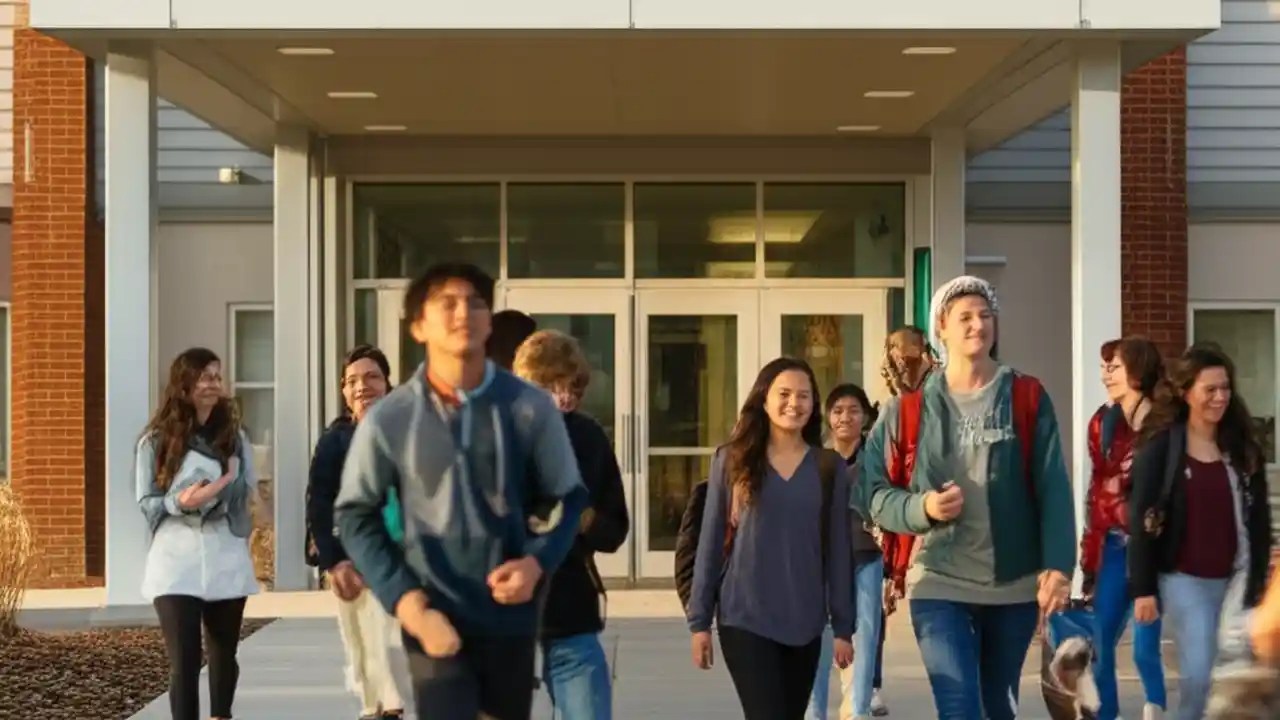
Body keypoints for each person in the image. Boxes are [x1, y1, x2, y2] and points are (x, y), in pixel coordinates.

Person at [334, 262, 590, 720]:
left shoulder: (529, 408)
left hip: (509, 617)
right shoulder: (390, 418)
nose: (462, 313)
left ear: (489, 321)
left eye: (475, 303)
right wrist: (408, 603)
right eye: (446, 303)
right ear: (418, 325)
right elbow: (355, 514)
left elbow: (567, 498)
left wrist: (536, 563)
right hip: (433, 614)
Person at [854, 275, 1075, 720]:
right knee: (960, 709)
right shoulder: (907, 410)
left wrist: (1058, 565)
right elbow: (872, 493)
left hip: (1012, 589)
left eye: (986, 315)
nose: (978, 325)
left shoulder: (1027, 396)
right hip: (938, 582)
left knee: (998, 709)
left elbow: (1053, 485)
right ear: (942, 328)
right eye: (965, 317)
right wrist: (922, 508)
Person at [688, 357, 855, 720]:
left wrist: (843, 626)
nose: (794, 403)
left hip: (805, 621)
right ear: (764, 400)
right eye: (784, 393)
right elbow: (711, 541)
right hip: (744, 616)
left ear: (813, 406)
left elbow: (840, 551)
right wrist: (699, 621)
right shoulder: (731, 460)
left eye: (804, 396)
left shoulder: (828, 467)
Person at [1128, 343, 1272, 720]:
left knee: (1238, 676)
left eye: (1225, 388)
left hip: (1237, 577)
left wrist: (1260, 574)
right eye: (1210, 389)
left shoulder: (1241, 448)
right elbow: (1141, 517)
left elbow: (1258, 519)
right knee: (1199, 673)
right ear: (1186, 392)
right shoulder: (1162, 447)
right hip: (1184, 579)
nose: (1220, 397)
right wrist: (1143, 588)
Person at [513, 329, 630, 719]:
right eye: (553, 386)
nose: (564, 398)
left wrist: (585, 520)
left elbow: (615, 528)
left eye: (574, 389)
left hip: (570, 613)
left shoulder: (589, 437)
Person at [137, 347, 258, 720]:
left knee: (224, 654)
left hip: (224, 552)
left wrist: (224, 489)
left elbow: (244, 493)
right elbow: (147, 501)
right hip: (175, 560)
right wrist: (181, 502)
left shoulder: (235, 439)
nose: (213, 384)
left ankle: (222, 715)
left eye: (217, 377)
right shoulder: (155, 442)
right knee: (184, 661)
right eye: (204, 376)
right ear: (184, 384)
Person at [305, 345, 404, 720]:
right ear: (344, 392)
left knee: (394, 660)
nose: (362, 386)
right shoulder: (335, 442)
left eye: (372, 377)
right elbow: (318, 503)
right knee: (366, 662)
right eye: (352, 381)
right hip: (354, 562)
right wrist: (333, 561)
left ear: (387, 384)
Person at [1077, 337, 1167, 720]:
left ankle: (1155, 706)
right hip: (1113, 543)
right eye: (1104, 368)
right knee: (1099, 636)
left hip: (1152, 546)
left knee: (1144, 647)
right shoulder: (1102, 421)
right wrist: (1088, 552)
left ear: (1137, 370)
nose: (1106, 375)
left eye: (1113, 367)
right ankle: (1106, 713)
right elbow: (1096, 489)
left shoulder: (1163, 422)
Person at [807, 384, 883, 720]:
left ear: (865, 416)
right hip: (821, 562)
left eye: (853, 410)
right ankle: (814, 712)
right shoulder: (815, 459)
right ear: (827, 417)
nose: (845, 418)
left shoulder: (876, 459)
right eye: (838, 411)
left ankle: (859, 709)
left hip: (866, 555)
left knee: (865, 635)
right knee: (820, 636)